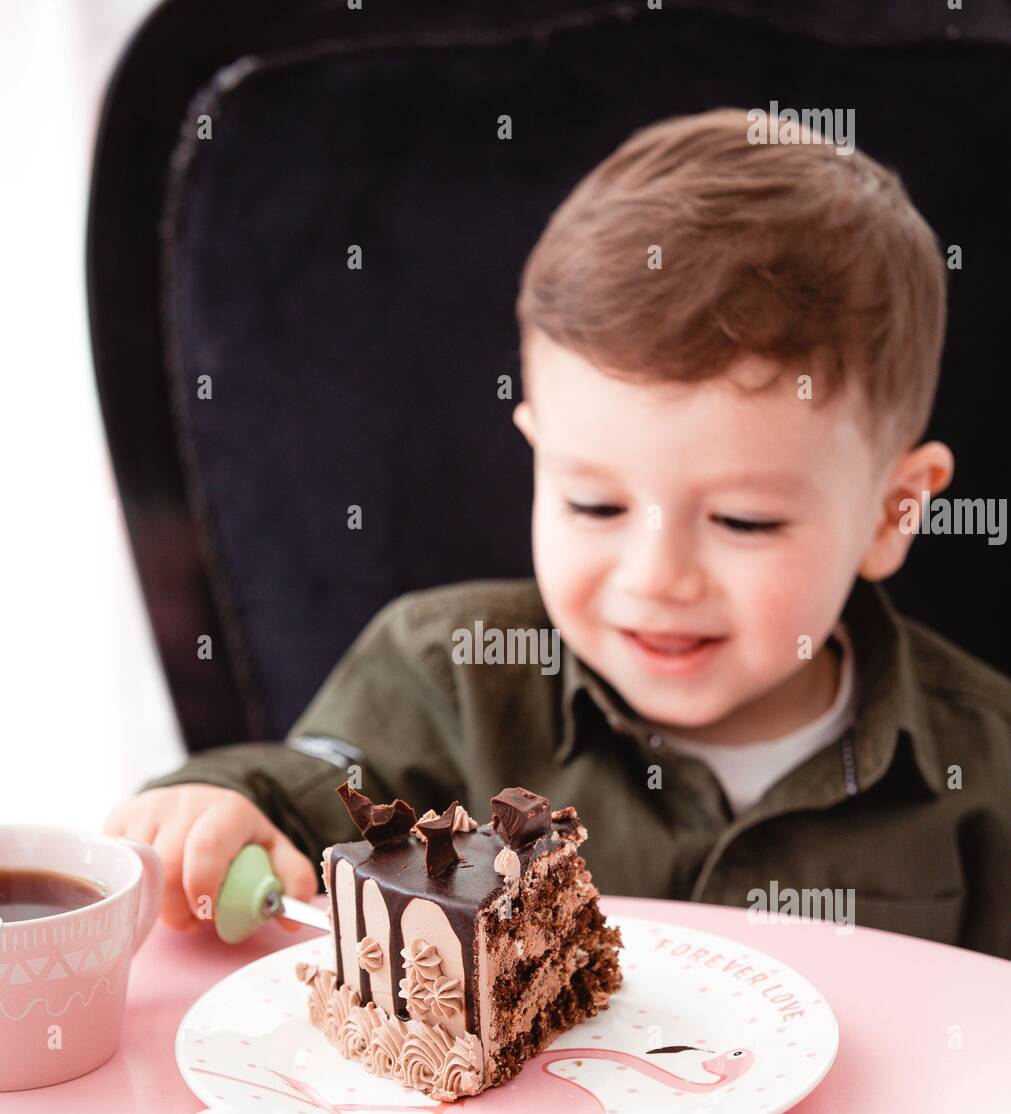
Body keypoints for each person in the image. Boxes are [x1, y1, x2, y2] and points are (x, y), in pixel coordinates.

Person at [105, 108, 1011, 957]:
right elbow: (296, 797)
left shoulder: (988, 769)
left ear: (895, 512)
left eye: (743, 520)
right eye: (595, 506)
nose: (655, 577)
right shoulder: (449, 674)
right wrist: (216, 808)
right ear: (538, 456)